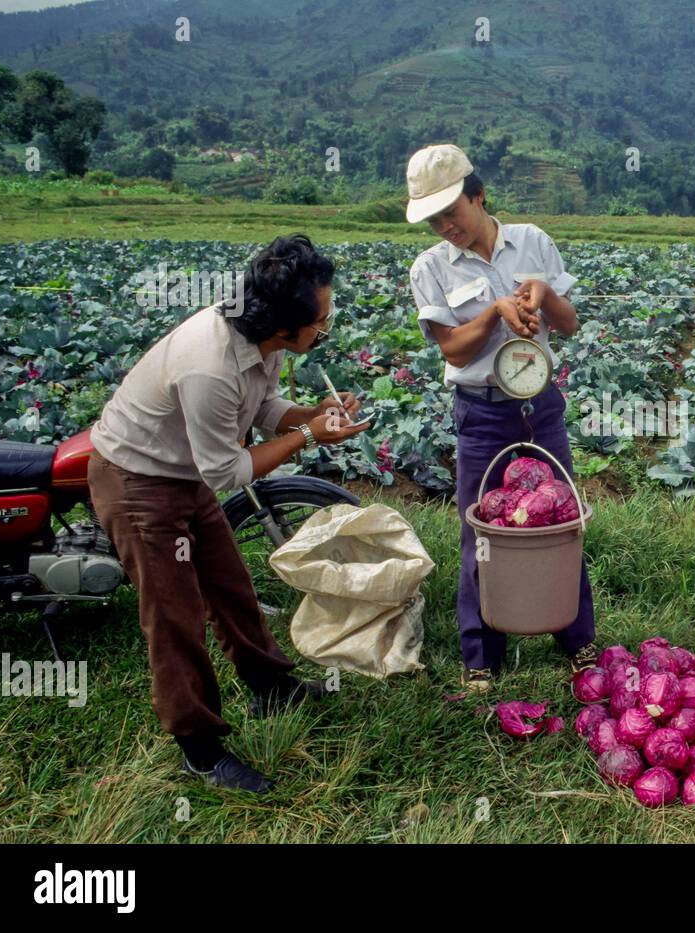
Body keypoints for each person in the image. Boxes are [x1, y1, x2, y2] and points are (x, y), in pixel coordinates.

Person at [88, 234, 369, 793]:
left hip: (185, 470)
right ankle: (200, 747)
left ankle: (270, 686)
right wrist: (309, 436)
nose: (325, 328)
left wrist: (313, 413)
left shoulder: (260, 337)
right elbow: (227, 474)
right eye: (321, 322)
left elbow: (261, 408)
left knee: (230, 585)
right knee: (175, 615)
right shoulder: (209, 364)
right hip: (138, 479)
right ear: (284, 325)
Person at [405, 143, 597, 692]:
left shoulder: (532, 241)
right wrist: (494, 311)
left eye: (452, 212)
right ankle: (481, 654)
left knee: (562, 520)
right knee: (480, 531)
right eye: (433, 219)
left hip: (541, 406)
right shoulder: (431, 268)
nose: (445, 227)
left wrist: (539, 292)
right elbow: (455, 351)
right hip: (482, 414)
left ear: (479, 195)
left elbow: (568, 323)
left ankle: (578, 642)